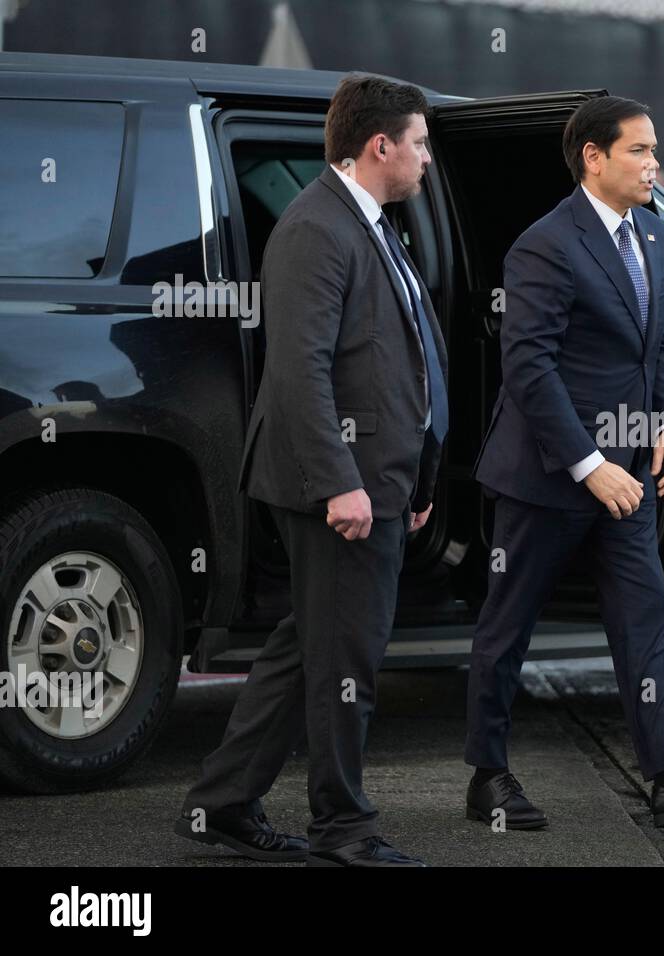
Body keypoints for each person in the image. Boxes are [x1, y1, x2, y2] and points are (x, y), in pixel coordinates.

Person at [463, 96, 664, 830]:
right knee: (507, 627)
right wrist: (587, 463)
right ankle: (487, 777)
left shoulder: (649, 231)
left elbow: (659, 343)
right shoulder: (545, 244)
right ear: (594, 158)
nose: (653, 163)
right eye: (639, 150)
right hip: (546, 476)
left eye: (654, 149)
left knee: (643, 623)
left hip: (631, 473)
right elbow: (529, 369)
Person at [175, 74, 448, 867]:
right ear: (380, 145)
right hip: (337, 486)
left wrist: (416, 479)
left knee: (310, 650)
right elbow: (299, 370)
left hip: (378, 479)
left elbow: (403, 360)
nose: (428, 159)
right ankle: (344, 827)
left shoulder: (369, 223)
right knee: (346, 662)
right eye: (421, 143)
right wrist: (342, 483)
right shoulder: (315, 230)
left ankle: (222, 803)